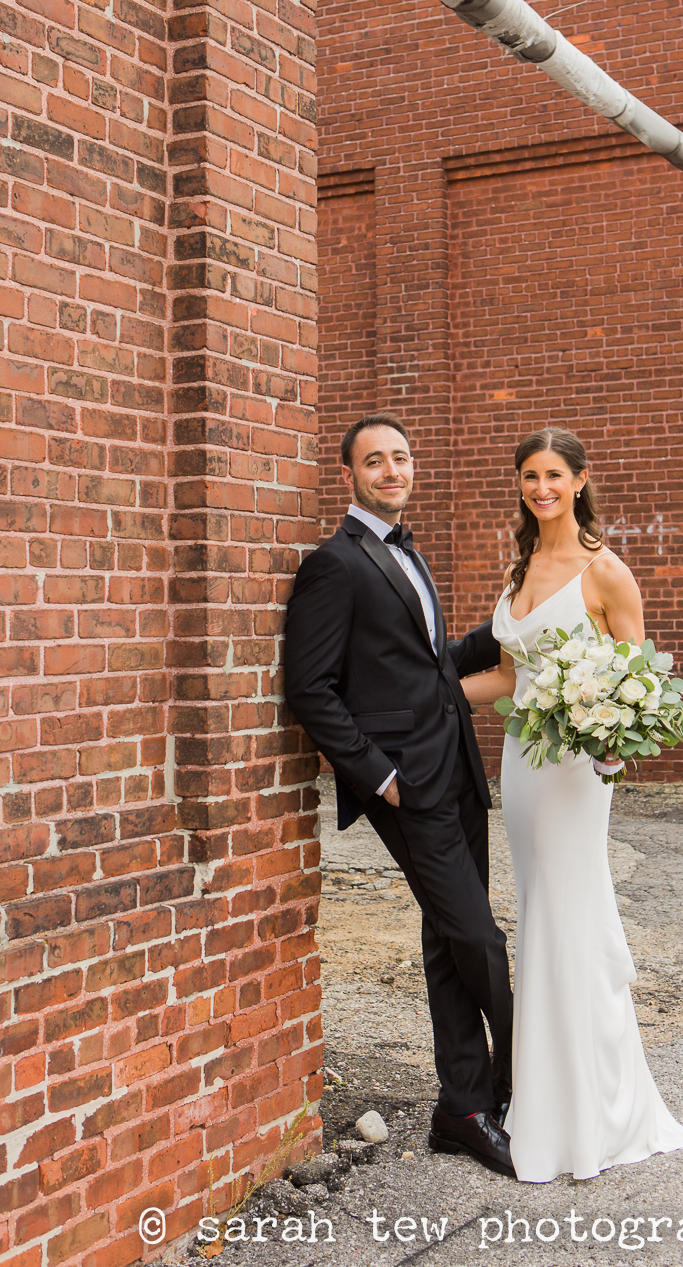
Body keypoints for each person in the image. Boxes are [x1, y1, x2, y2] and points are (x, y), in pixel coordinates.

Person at [460, 426, 683, 1183]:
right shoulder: (521, 564)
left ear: (580, 480)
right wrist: (417, 699)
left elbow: (642, 685)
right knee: (538, 914)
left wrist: (610, 738)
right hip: (524, 767)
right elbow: (504, 677)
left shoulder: (606, 572)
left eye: (554, 474)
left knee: (568, 916)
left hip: (575, 769)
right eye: (529, 476)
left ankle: (588, 1112)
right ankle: (547, 1097)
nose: (540, 488)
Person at [283, 413, 515, 1177]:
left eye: (401, 458)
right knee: (479, 937)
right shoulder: (334, 564)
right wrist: (378, 776)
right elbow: (311, 689)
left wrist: (507, 626)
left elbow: (425, 666)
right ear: (348, 474)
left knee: (449, 943)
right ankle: (523, 1073)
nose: (392, 470)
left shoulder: (409, 553)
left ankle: (463, 1109)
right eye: (375, 461)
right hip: (406, 787)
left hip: (458, 771)